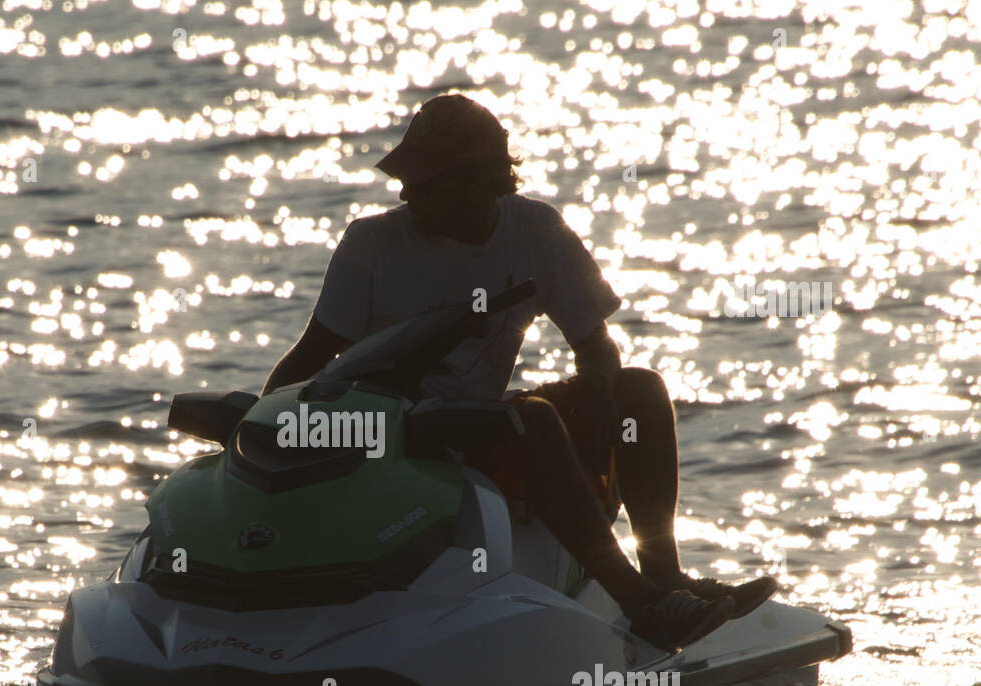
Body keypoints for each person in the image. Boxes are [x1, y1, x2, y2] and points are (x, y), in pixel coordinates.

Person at [263, 94, 776, 651]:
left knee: (640, 391)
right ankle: (641, 605)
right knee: (527, 417)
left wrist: (603, 393)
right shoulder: (371, 243)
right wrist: (258, 432)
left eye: (424, 182)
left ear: (479, 183)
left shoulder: (536, 230)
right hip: (395, 431)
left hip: (477, 426)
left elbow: (595, 344)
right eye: (406, 180)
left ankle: (665, 578)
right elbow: (310, 356)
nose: (406, 194)